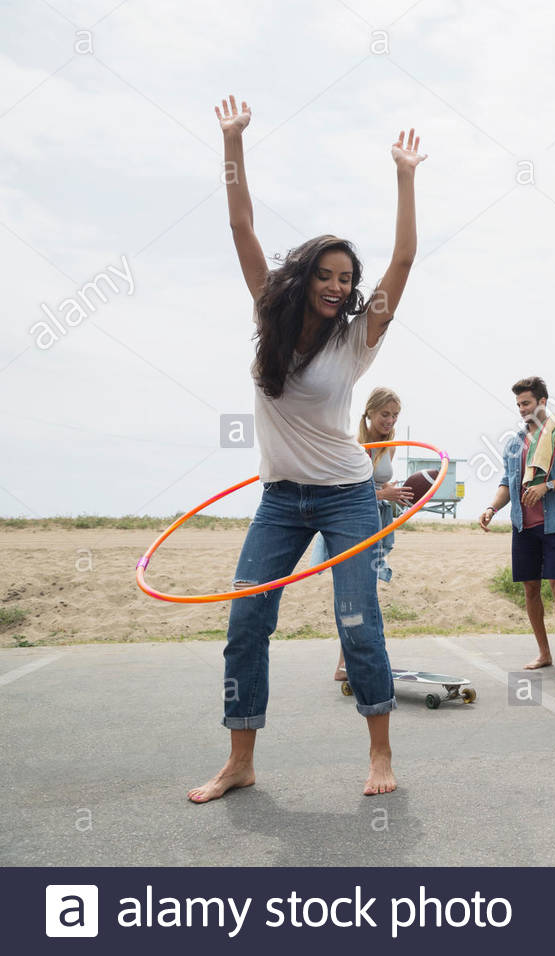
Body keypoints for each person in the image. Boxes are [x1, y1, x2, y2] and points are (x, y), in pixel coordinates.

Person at [188, 95, 424, 803]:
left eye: (346, 279)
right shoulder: (269, 309)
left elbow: (405, 257)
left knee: (357, 624)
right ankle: (240, 760)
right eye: (326, 275)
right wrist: (232, 141)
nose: (337, 286)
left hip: (349, 495)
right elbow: (239, 224)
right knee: (245, 622)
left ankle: (381, 754)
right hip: (280, 498)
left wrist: (405, 177)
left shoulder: (356, 341)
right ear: (305, 279)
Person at [479, 376, 555, 674]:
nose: (521, 409)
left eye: (526, 403)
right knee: (530, 588)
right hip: (523, 527)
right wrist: (491, 507)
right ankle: (544, 653)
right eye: (518, 404)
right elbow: (507, 483)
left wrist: (548, 486)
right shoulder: (515, 443)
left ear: (542, 402)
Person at [322, 387, 414, 682]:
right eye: (385, 414)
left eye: (395, 415)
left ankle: (350, 663)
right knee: (355, 594)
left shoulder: (391, 445)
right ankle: (347, 664)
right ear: (370, 412)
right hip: (350, 523)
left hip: (377, 524)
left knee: (365, 593)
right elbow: (344, 488)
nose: (390, 420)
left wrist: (393, 493)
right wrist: (383, 492)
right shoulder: (354, 444)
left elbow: (380, 483)